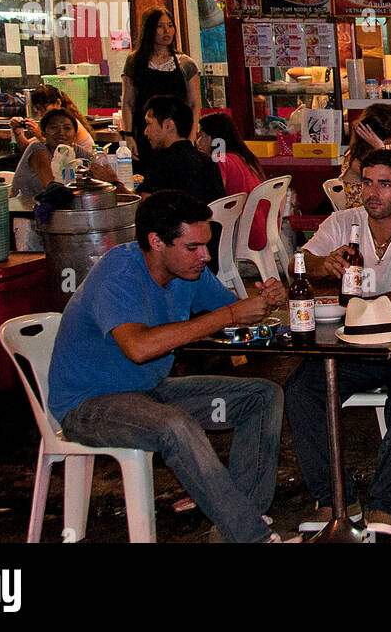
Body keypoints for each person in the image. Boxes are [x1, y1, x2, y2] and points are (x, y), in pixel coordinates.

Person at [46, 190, 288, 543]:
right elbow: (139, 348)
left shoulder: (189, 272)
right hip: (88, 405)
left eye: (206, 245)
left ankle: (237, 525)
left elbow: (234, 313)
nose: (206, 256)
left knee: (262, 396)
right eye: (193, 247)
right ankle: (251, 537)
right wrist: (231, 314)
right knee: (176, 426)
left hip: (149, 391)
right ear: (156, 242)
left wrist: (266, 301)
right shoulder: (119, 273)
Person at [283, 149, 391, 540]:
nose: (373, 193)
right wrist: (321, 263)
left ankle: (384, 505)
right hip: (353, 345)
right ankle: (336, 499)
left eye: (385, 184)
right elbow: (297, 263)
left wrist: (355, 304)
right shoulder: (343, 222)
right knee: (301, 390)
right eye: (367, 183)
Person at [99, 95, 225, 204]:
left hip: (176, 225)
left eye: (149, 123)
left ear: (168, 125)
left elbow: (143, 205)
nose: (145, 132)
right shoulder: (208, 161)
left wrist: (113, 182)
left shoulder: (163, 161)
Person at [121, 7, 201, 173]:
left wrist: (192, 135)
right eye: (160, 26)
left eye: (170, 25)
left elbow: (195, 103)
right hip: (145, 134)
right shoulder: (134, 61)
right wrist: (128, 136)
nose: (167, 31)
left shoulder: (186, 64)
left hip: (177, 136)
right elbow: (127, 102)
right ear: (149, 29)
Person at [198, 112, 268, 251]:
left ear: (211, 138)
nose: (198, 142)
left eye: (201, 136)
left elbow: (217, 198)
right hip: (260, 230)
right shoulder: (245, 158)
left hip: (242, 235)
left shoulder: (220, 160)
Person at [10, 108, 97, 198]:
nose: (61, 132)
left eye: (67, 128)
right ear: (43, 133)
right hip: (26, 206)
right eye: (53, 127)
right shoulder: (37, 148)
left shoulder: (74, 149)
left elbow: (100, 169)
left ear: (75, 134)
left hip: (55, 204)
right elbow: (52, 188)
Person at [339, 103, 391, 208]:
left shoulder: (381, 151)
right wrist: (380, 147)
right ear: (384, 135)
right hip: (365, 211)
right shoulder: (360, 158)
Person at [10, 84, 96, 155]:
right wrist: (17, 131)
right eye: (38, 108)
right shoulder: (50, 125)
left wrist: (39, 135)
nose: (40, 112)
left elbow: (62, 151)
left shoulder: (69, 124)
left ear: (58, 103)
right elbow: (27, 148)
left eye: (43, 107)